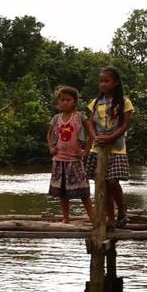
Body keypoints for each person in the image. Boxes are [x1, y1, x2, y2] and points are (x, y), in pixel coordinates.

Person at [84, 66, 134, 228]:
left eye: (107, 81)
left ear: (116, 82)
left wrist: (110, 137)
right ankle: (110, 219)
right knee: (102, 184)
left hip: (116, 147)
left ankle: (121, 209)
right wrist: (96, 136)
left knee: (112, 182)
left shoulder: (124, 102)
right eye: (101, 81)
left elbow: (125, 125)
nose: (103, 84)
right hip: (98, 148)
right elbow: (90, 123)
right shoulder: (96, 102)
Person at [47, 85, 95, 223]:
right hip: (59, 159)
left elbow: (91, 132)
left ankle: (92, 217)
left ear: (74, 101)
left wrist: (86, 151)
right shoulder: (56, 118)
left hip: (74, 159)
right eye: (62, 100)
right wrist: (51, 147)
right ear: (58, 102)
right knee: (62, 192)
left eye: (68, 100)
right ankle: (66, 218)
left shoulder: (79, 117)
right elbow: (49, 134)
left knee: (83, 191)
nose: (65, 102)